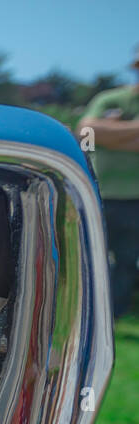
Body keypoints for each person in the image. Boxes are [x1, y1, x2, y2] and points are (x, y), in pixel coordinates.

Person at [79, 46, 139, 318]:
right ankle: (85, 312)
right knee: (91, 258)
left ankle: (112, 317)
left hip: (135, 200)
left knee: (126, 262)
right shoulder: (110, 98)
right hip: (99, 194)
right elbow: (88, 131)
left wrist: (113, 133)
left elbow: (101, 133)